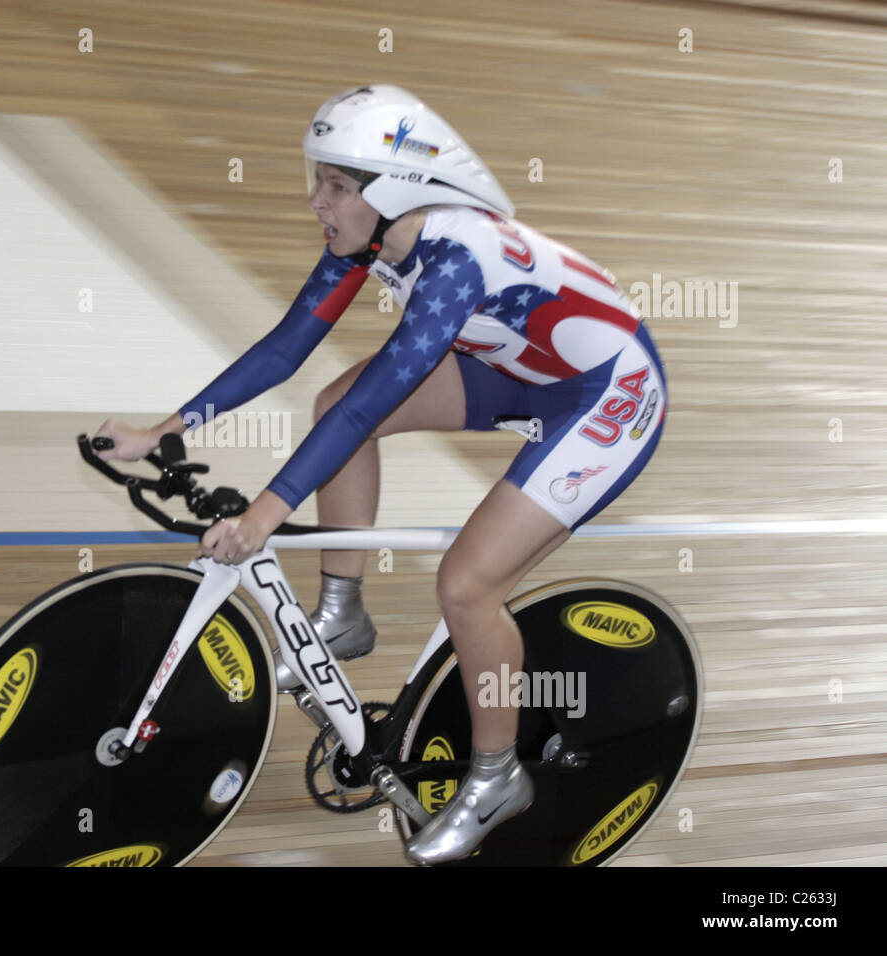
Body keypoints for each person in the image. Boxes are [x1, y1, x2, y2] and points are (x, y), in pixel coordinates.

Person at [94, 84, 667, 865]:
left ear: (393, 191)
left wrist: (263, 516)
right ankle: (344, 611)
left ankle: (497, 777)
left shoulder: (458, 259)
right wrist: (166, 427)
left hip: (607, 395)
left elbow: (368, 409)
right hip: (524, 368)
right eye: (318, 179)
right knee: (331, 393)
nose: (314, 201)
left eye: (334, 186)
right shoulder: (370, 239)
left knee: (466, 585)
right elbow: (285, 349)